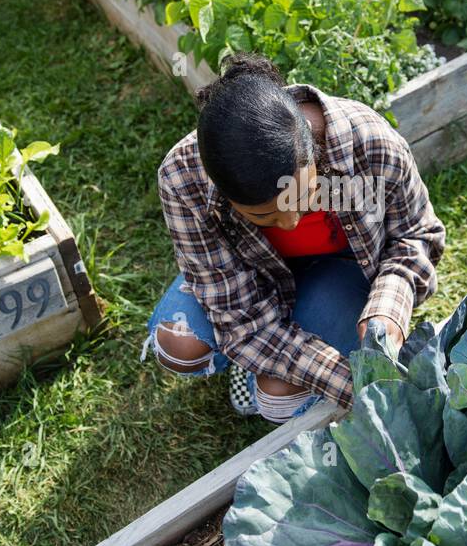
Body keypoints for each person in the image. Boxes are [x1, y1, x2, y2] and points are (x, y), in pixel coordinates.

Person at [144, 52, 445, 422]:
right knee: (178, 344)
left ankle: (266, 357)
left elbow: (417, 235)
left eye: (302, 197)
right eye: (263, 216)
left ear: (312, 151)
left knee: (276, 396)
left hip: (338, 271)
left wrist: (389, 306)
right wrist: (352, 385)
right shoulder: (183, 179)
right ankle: (249, 360)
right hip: (248, 281)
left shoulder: (368, 145)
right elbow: (240, 319)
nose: (288, 223)